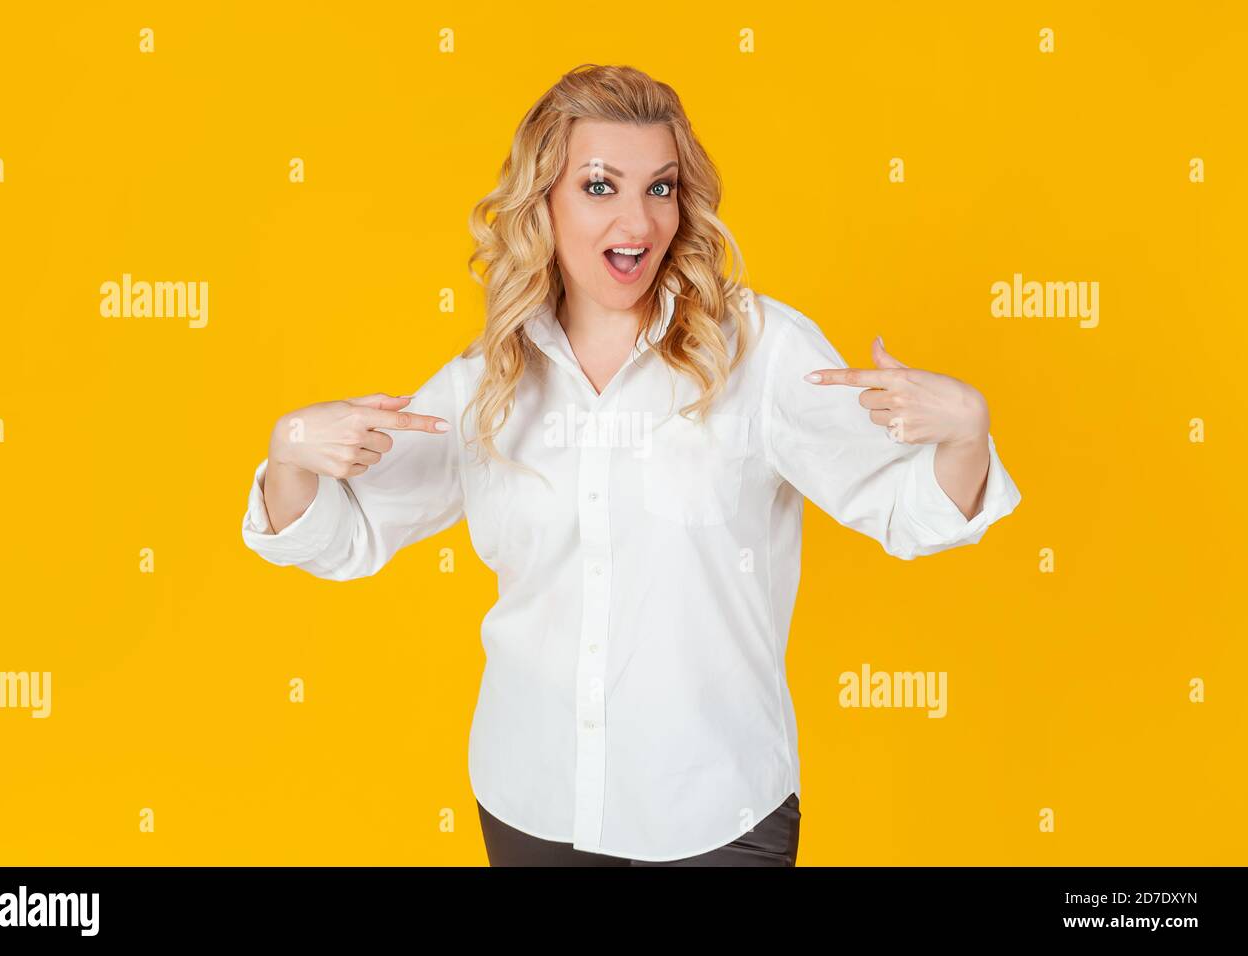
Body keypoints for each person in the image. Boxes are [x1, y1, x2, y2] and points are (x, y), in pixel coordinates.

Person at [240, 64, 1022, 866]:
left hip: (718, 815)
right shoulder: (490, 379)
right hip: (530, 802)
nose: (638, 221)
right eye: (600, 185)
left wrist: (965, 433)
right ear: (543, 201)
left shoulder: (760, 352)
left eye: (660, 188)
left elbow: (905, 510)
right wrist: (290, 448)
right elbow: (348, 533)